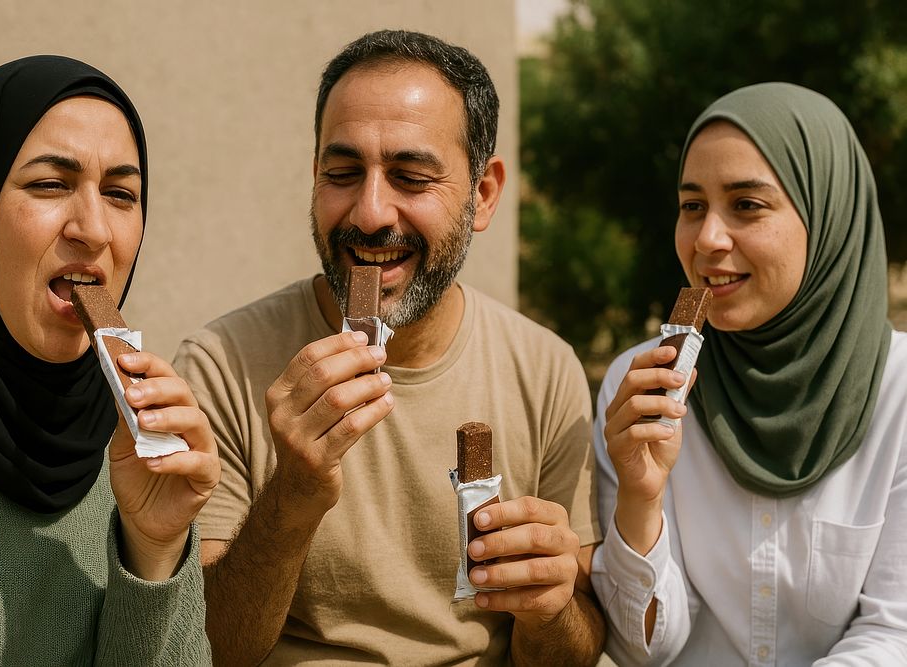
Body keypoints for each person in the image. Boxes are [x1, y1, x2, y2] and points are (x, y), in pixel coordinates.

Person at [174, 29, 604, 665]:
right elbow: (203, 649)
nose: (371, 212)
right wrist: (292, 495)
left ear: (482, 195)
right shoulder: (222, 363)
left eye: (410, 176)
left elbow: (573, 654)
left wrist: (550, 609)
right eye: (343, 174)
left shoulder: (544, 371)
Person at [0, 56, 219, 664]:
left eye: (121, 194)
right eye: (50, 185)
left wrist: (154, 550)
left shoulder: (139, 444)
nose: (94, 229)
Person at [591, 82, 907, 665]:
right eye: (692, 206)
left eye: (747, 205)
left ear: (827, 217)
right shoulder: (641, 388)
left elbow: (895, 634)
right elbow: (643, 653)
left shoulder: (900, 395)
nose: (707, 238)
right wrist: (640, 498)